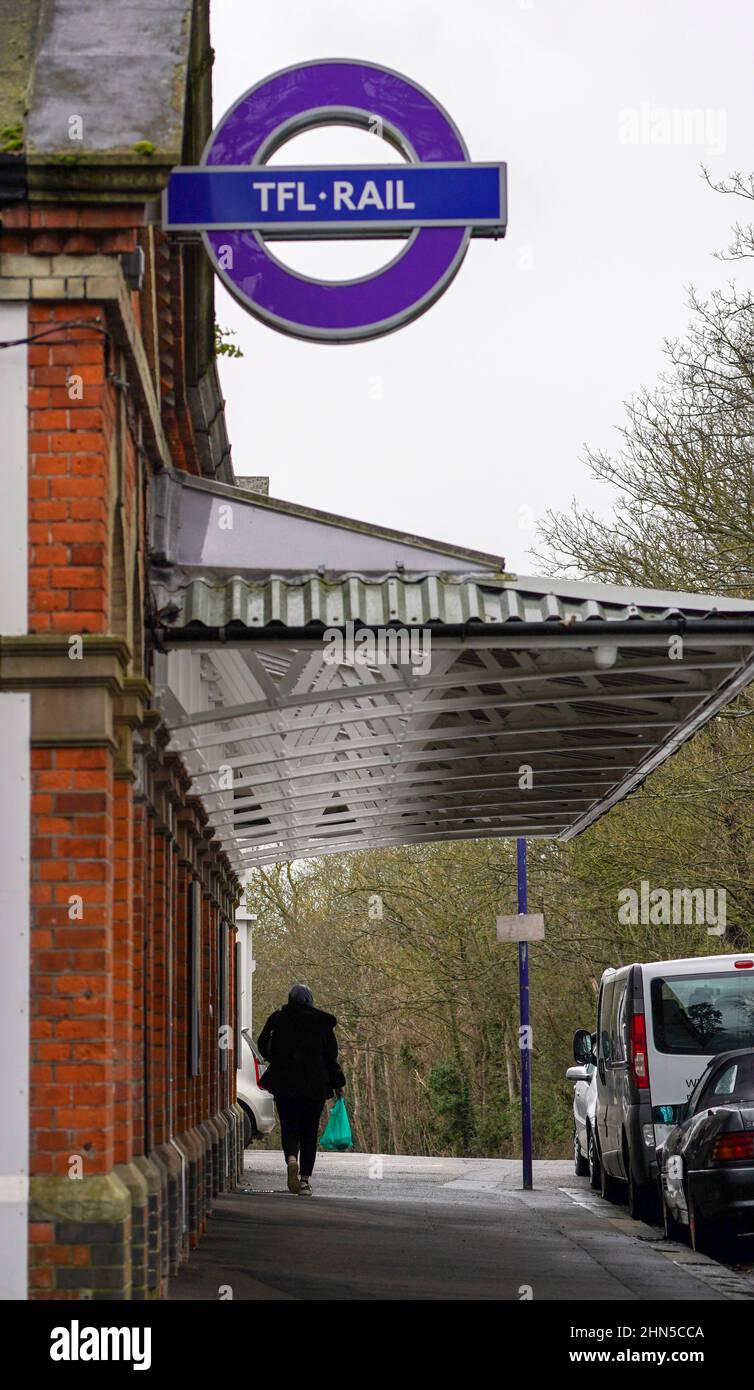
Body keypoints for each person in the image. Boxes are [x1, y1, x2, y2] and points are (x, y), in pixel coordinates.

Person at [257, 984, 345, 1196]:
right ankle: (304, 1181)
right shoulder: (321, 1024)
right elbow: (330, 1057)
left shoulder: (279, 1018)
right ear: (310, 1000)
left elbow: (262, 1043)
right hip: (315, 1087)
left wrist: (275, 1057)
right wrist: (338, 1083)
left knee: (289, 1127)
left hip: (285, 1084)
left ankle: (291, 1160)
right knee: (309, 1131)